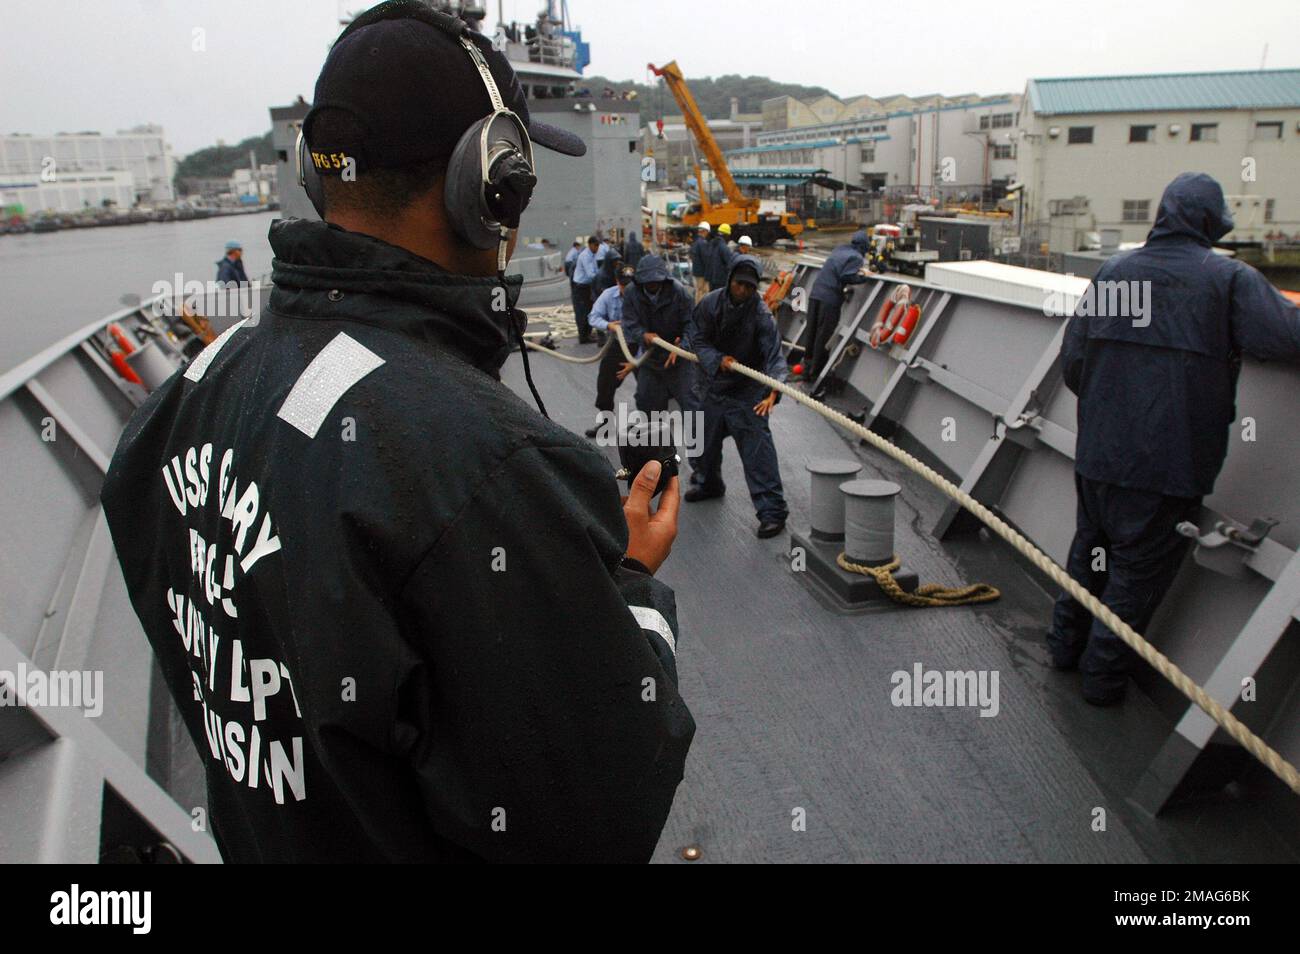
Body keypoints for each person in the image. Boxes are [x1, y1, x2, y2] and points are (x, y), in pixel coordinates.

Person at [100, 0, 693, 863]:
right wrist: (631, 584)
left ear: (315, 172)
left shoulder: (198, 384)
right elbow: (599, 820)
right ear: (492, 186)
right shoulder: (490, 466)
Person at [1049, 172, 1300, 706]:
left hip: (1098, 455)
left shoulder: (1114, 274)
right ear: (1212, 223)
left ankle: (1062, 649)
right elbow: (1283, 336)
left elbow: (1074, 365)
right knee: (1134, 578)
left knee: (1088, 552)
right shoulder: (1226, 279)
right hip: (1167, 466)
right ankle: (1101, 683)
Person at [686, 255, 789, 538]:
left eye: (749, 286)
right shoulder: (710, 303)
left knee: (758, 451)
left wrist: (773, 391)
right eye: (738, 283)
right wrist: (716, 359)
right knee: (702, 441)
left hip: (747, 391)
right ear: (730, 279)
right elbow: (696, 337)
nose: (743, 290)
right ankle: (709, 484)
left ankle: (772, 512)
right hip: (713, 384)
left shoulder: (761, 315)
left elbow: (774, 359)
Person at [803, 229, 871, 391]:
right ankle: (815, 372)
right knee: (823, 335)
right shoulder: (856, 257)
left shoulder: (839, 250)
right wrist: (865, 276)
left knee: (811, 332)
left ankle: (806, 367)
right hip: (830, 299)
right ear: (864, 247)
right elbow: (846, 276)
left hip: (815, 294)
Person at [583, 262, 638, 438]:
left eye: (629, 285)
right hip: (618, 345)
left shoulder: (642, 296)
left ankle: (648, 425)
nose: (626, 290)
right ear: (617, 281)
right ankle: (605, 423)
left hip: (642, 345)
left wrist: (636, 362)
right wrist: (608, 325)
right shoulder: (608, 295)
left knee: (648, 387)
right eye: (623, 285)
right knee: (605, 382)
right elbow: (593, 317)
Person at [571, 234, 602, 342]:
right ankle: (583, 337)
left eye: (598, 246)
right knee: (582, 312)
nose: (597, 248)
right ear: (590, 245)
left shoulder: (592, 255)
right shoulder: (585, 256)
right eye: (595, 245)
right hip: (581, 288)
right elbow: (591, 275)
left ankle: (587, 334)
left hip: (587, 287)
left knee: (589, 310)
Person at [705, 223, 736, 293]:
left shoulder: (711, 244)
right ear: (725, 235)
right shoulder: (723, 247)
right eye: (728, 236)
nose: (729, 238)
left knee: (713, 298)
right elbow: (729, 263)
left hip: (711, 278)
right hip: (721, 280)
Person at [690, 221, 712, 302]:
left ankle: (698, 308)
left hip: (696, 271)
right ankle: (700, 310)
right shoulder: (702, 243)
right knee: (702, 291)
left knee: (699, 291)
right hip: (702, 272)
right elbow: (705, 258)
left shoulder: (695, 242)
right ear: (705, 231)